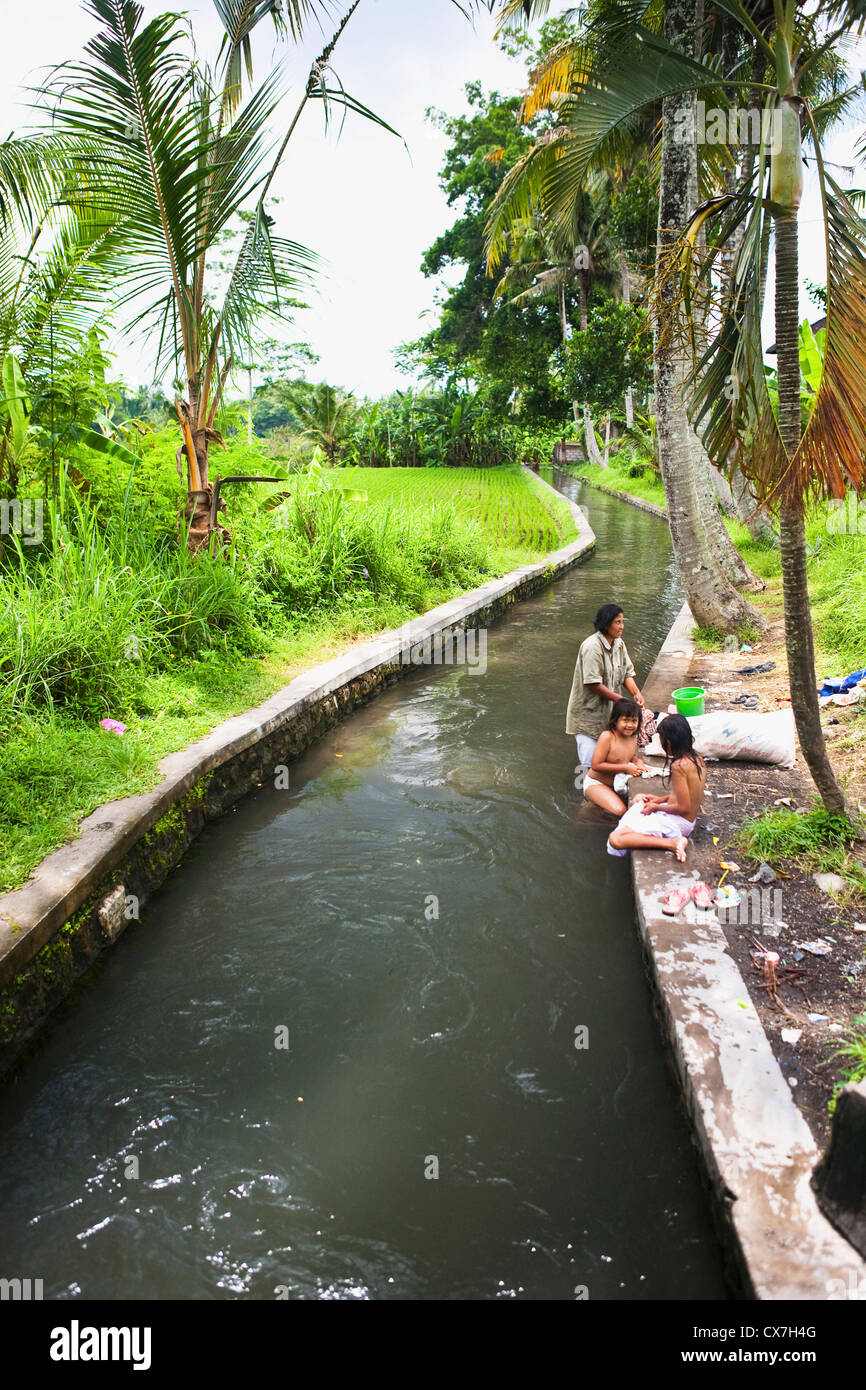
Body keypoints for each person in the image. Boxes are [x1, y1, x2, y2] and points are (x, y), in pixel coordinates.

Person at [606, 714, 706, 862]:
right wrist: (659, 800)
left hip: (679, 823)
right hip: (687, 819)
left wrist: (656, 808)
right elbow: (687, 797)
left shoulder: (679, 766)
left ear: (670, 742)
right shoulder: (697, 758)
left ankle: (672, 843)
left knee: (616, 839)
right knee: (640, 799)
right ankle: (654, 833)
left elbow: (683, 807)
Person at [566, 603, 645, 772]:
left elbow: (626, 673)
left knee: (608, 758)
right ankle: (589, 792)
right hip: (588, 715)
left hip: (609, 712)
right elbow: (593, 684)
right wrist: (622, 700)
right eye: (618, 622)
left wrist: (636, 693)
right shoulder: (592, 647)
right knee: (591, 765)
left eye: (623, 622)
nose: (622, 626)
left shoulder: (619, 644)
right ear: (606, 623)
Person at [585, 699, 648, 817]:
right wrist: (625, 768)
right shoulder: (608, 737)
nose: (630, 725)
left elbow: (628, 756)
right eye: (625, 720)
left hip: (615, 784)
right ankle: (590, 809)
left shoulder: (632, 737)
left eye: (634, 721)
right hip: (597, 783)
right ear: (615, 720)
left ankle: (597, 805)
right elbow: (596, 765)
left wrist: (638, 761)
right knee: (619, 811)